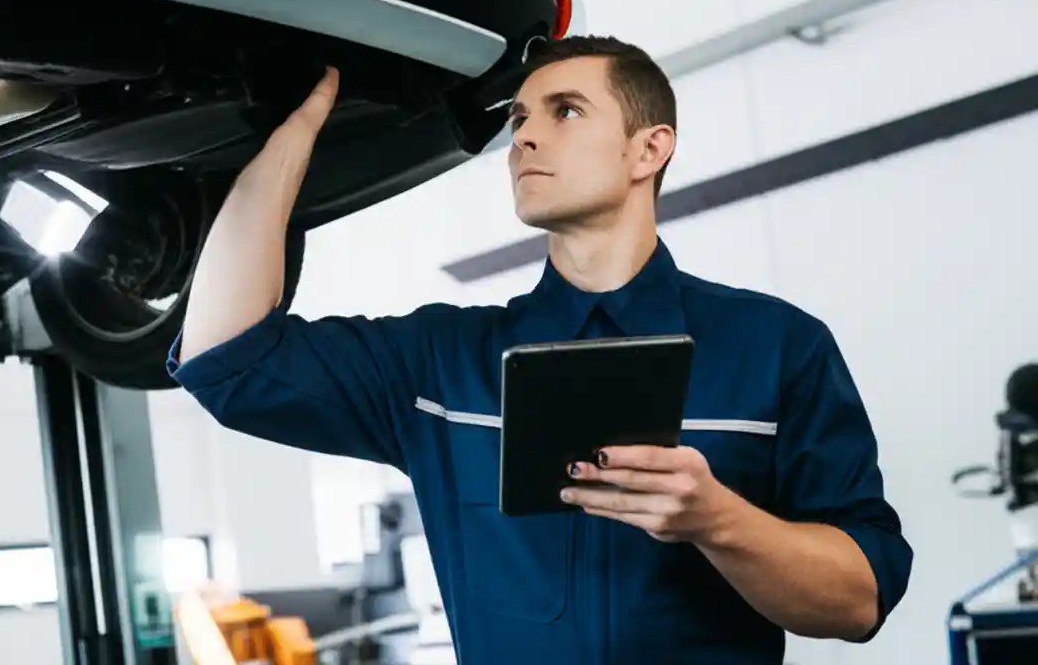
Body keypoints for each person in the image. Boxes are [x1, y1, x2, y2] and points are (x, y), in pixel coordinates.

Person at [167, 35, 913, 664]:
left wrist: (717, 520)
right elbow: (224, 358)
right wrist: (298, 131)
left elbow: (857, 602)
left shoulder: (778, 346)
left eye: (565, 112)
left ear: (648, 149)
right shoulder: (441, 363)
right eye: (521, 117)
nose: (523, 136)